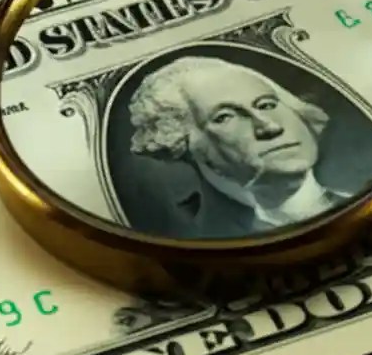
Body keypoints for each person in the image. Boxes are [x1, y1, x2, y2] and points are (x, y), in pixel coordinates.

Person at [126, 55, 351, 238]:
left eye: (267, 105)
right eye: (225, 117)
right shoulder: (196, 240)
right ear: (182, 143)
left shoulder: (354, 200)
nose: (269, 126)